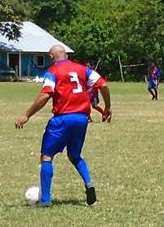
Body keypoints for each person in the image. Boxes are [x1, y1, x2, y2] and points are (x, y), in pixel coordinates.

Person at [16, 44, 110, 206]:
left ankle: (45, 200)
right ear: (66, 55)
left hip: (62, 119)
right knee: (75, 155)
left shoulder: (53, 72)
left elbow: (45, 95)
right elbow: (104, 85)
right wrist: (107, 107)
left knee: (47, 156)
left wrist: (27, 114)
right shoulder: (83, 69)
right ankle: (89, 183)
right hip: (82, 119)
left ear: (51, 57)